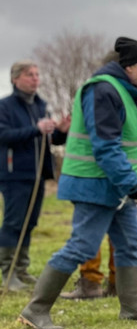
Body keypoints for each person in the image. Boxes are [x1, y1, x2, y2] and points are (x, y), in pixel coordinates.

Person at [18, 38, 137, 329]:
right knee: (83, 246)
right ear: (129, 66)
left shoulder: (126, 93)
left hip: (117, 185)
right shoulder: (103, 90)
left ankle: (133, 309)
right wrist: (131, 183)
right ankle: (36, 311)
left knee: (132, 243)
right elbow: (106, 147)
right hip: (94, 183)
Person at [62, 95, 137, 300]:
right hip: (133, 175)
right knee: (124, 234)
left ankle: (90, 282)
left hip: (97, 175)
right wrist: (133, 150)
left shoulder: (98, 100)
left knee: (92, 230)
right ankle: (118, 283)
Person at [0, 61, 69, 290]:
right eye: (30, 74)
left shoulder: (42, 105)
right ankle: (8, 274)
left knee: (29, 223)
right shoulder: (5, 106)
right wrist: (35, 129)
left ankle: (21, 269)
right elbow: (4, 135)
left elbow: (48, 140)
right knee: (13, 223)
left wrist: (60, 132)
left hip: (38, 174)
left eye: (38, 74)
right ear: (15, 79)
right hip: (14, 174)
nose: (35, 78)